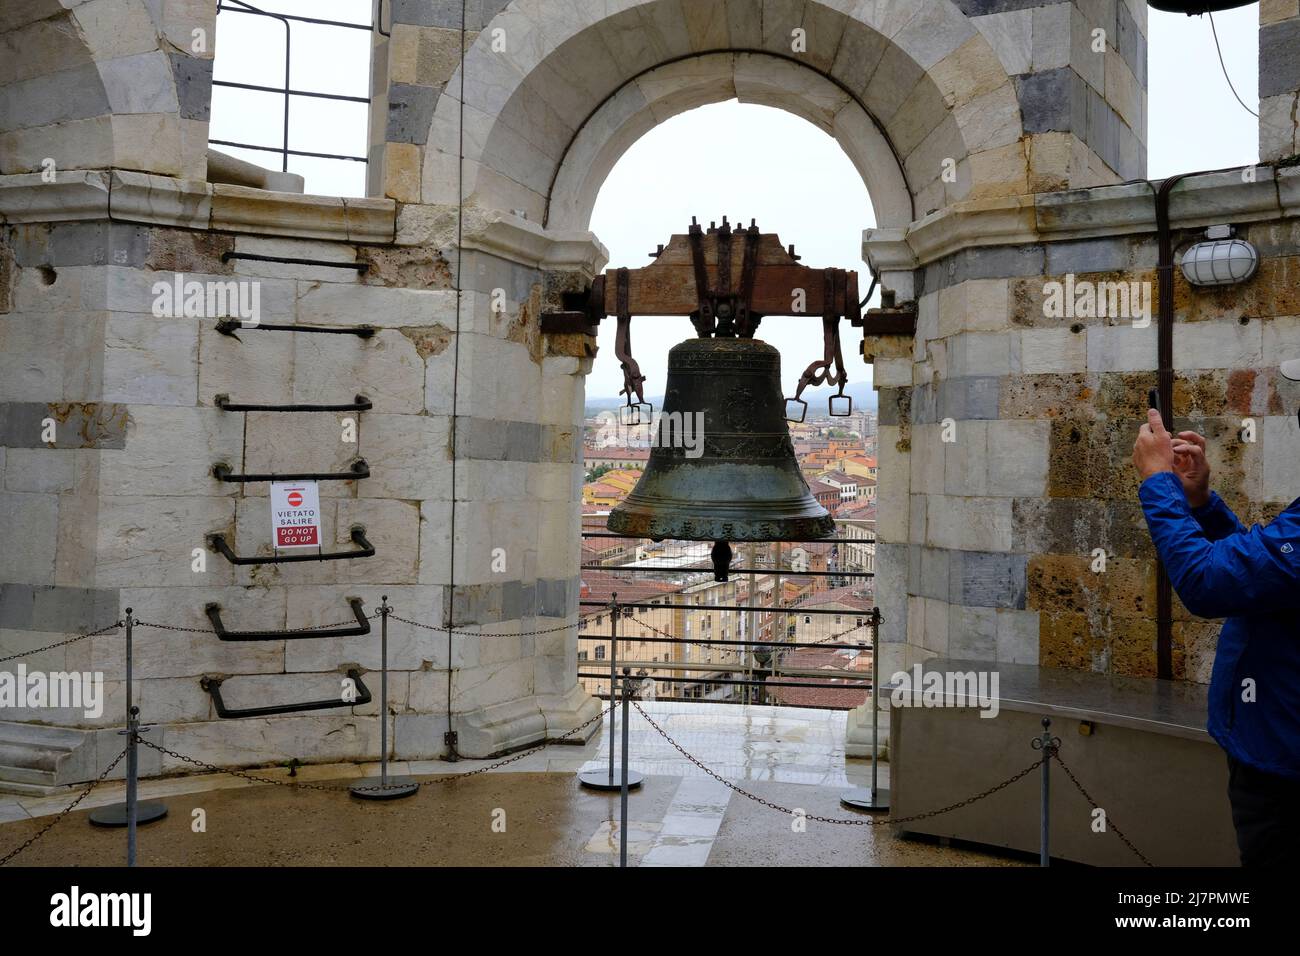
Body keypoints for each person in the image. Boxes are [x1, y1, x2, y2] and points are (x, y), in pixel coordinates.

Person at [1133, 366, 1300, 867]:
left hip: (1282, 771)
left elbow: (1207, 584)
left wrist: (1159, 483)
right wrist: (1201, 503)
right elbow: (1261, 576)